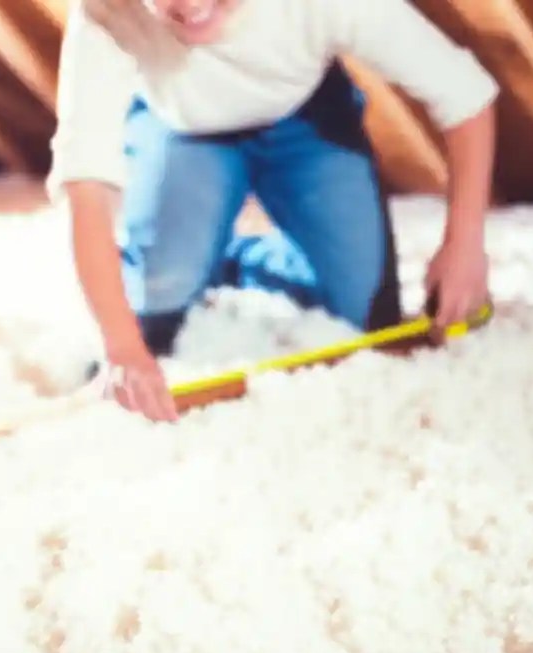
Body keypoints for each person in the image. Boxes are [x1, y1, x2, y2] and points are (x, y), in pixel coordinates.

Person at [48, 0, 498, 422]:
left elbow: (467, 97)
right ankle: (185, 259)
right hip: (181, 129)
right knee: (152, 318)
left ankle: (232, 259)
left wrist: (465, 244)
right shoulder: (104, 9)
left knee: (365, 319)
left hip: (304, 115)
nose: (186, 3)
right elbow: (84, 190)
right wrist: (122, 348)